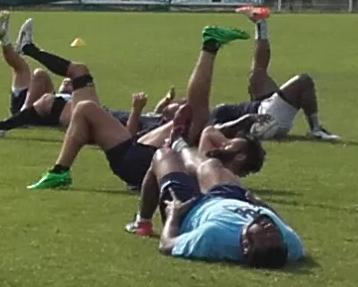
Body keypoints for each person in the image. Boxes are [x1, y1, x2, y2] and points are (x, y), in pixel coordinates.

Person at [28, 27, 264, 193]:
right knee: (85, 108)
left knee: (196, 113)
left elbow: (209, 147)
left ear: (241, 157)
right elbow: (212, 132)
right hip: (133, 151)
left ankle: (210, 46)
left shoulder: (217, 172)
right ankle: (60, 172)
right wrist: (240, 125)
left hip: (139, 163)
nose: (225, 143)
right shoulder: (214, 156)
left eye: (234, 145)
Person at [142, 139, 304, 269]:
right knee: (211, 164)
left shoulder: (213, 236)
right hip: (232, 198)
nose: (270, 227)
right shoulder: (290, 244)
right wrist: (262, 205)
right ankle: (180, 142)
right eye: (276, 235)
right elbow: (279, 224)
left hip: (188, 209)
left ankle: (142, 222)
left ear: (246, 246)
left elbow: (166, 245)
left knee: (163, 155)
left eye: (265, 235)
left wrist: (173, 216)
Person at [204, 7, 338, 142]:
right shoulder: (210, 120)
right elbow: (215, 130)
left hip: (261, 106)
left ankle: (261, 24)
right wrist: (247, 119)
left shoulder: (214, 112)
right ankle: (316, 129)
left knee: (258, 73)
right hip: (267, 116)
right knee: (304, 81)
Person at [0, 15, 100, 136]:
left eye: (71, 82)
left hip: (43, 111)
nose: (67, 81)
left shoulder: (75, 101)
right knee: (30, 71)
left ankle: (16, 119)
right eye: (66, 80)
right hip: (31, 101)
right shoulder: (56, 94)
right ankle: (5, 40)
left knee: (46, 91)